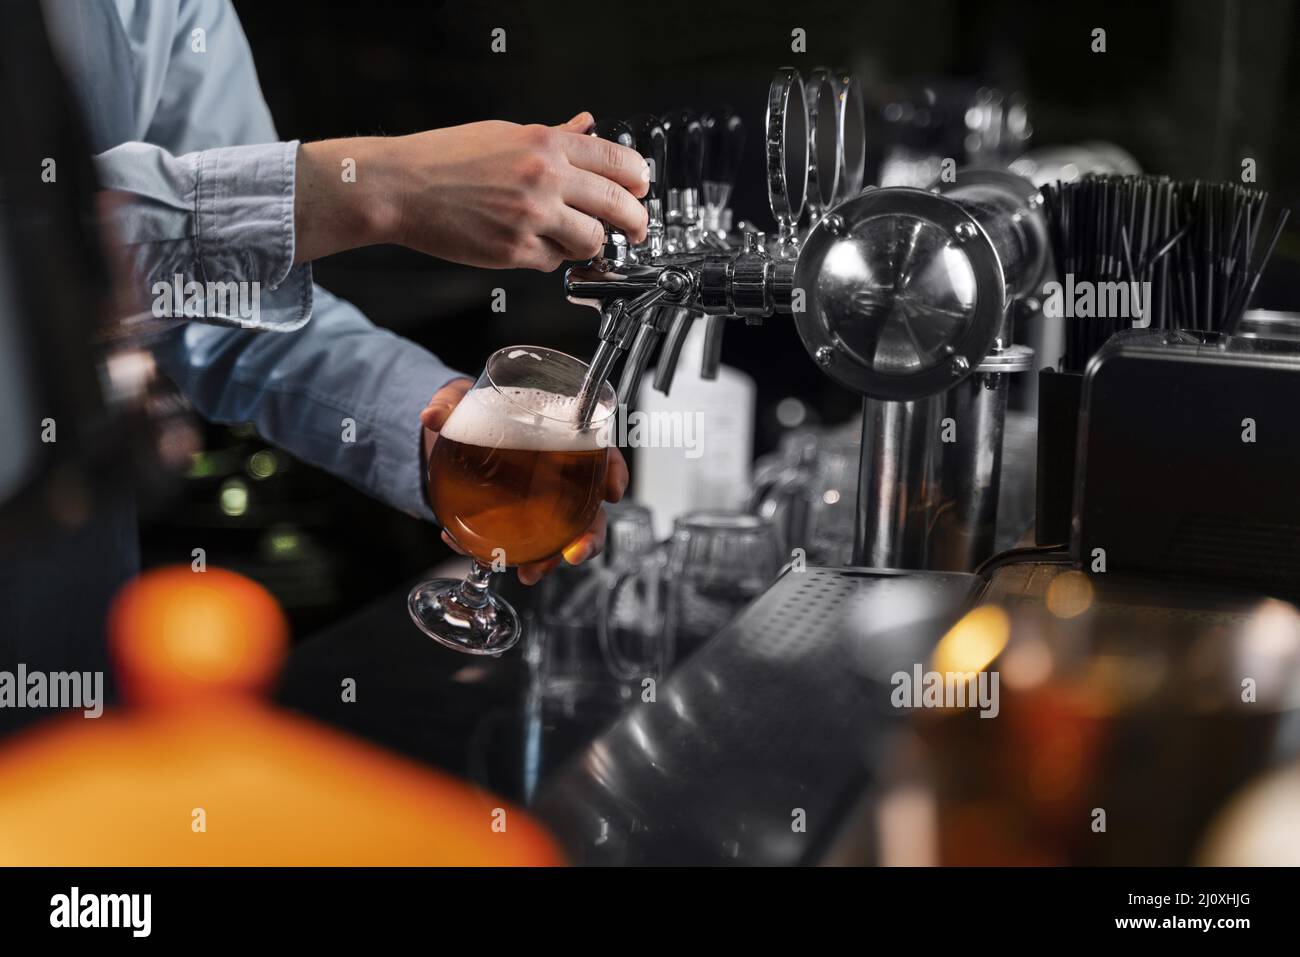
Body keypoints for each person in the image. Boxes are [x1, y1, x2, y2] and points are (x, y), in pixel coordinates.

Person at [43, 0, 646, 587]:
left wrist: (429, 423)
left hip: (80, 597)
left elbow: (217, 306)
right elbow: (29, 264)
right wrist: (377, 185)